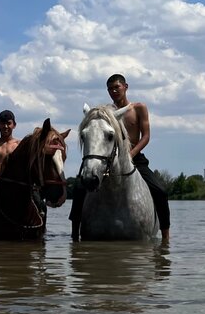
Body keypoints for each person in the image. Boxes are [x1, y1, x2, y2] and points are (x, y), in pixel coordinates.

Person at [70, 75, 170, 241]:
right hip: (110, 158)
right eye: (110, 88)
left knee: (160, 191)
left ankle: (166, 236)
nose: (114, 91)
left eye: (117, 87)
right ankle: (75, 234)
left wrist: (130, 154)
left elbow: (146, 136)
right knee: (80, 188)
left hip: (135, 158)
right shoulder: (107, 112)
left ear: (125, 87)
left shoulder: (139, 108)